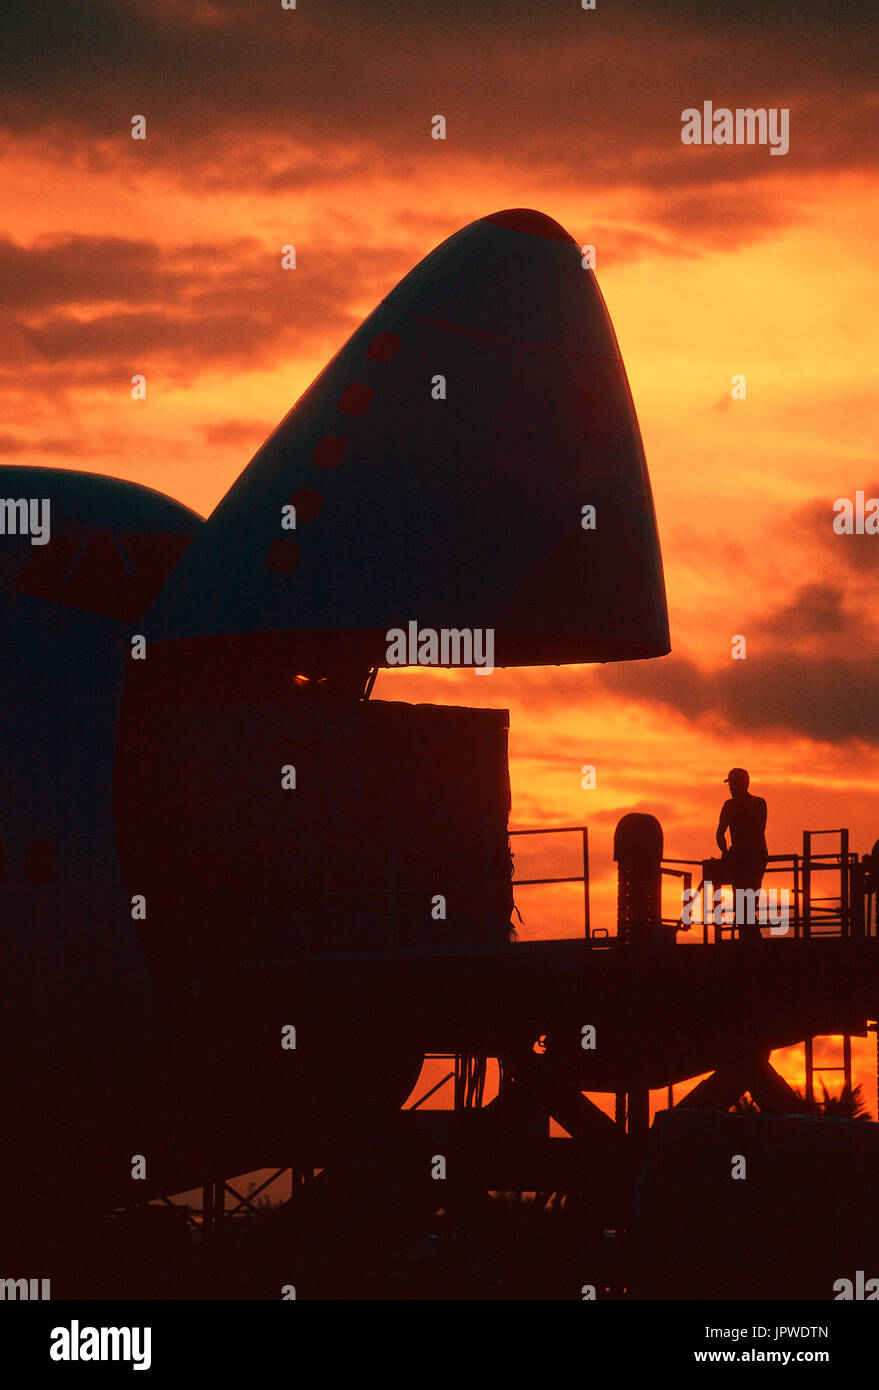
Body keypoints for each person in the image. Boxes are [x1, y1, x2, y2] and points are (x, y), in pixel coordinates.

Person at [716, 768, 768, 942]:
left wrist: (728, 853)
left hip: (749, 860)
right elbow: (720, 834)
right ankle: (751, 939)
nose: (731, 788)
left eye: (733, 784)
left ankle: (750, 939)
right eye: (730, 784)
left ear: (743, 784)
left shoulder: (754, 804)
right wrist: (727, 853)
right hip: (748, 860)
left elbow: (721, 834)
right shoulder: (754, 804)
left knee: (746, 903)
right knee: (746, 903)